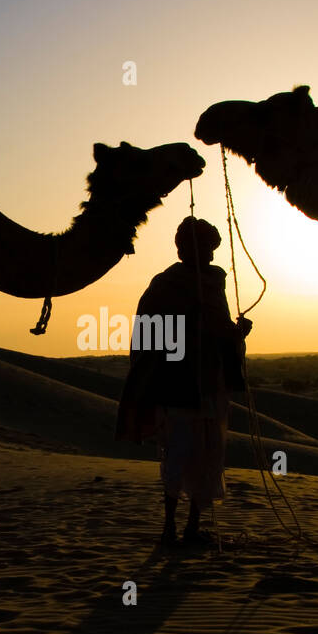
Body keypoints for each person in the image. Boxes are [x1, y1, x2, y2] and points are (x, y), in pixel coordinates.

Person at [116, 217, 252, 547]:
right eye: (200, 245)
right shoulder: (165, 285)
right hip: (177, 383)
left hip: (210, 382)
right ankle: (169, 528)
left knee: (207, 452)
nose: (205, 253)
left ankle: (191, 527)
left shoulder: (213, 283)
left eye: (208, 247)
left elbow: (220, 331)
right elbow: (149, 334)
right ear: (183, 247)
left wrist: (236, 335)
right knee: (178, 453)